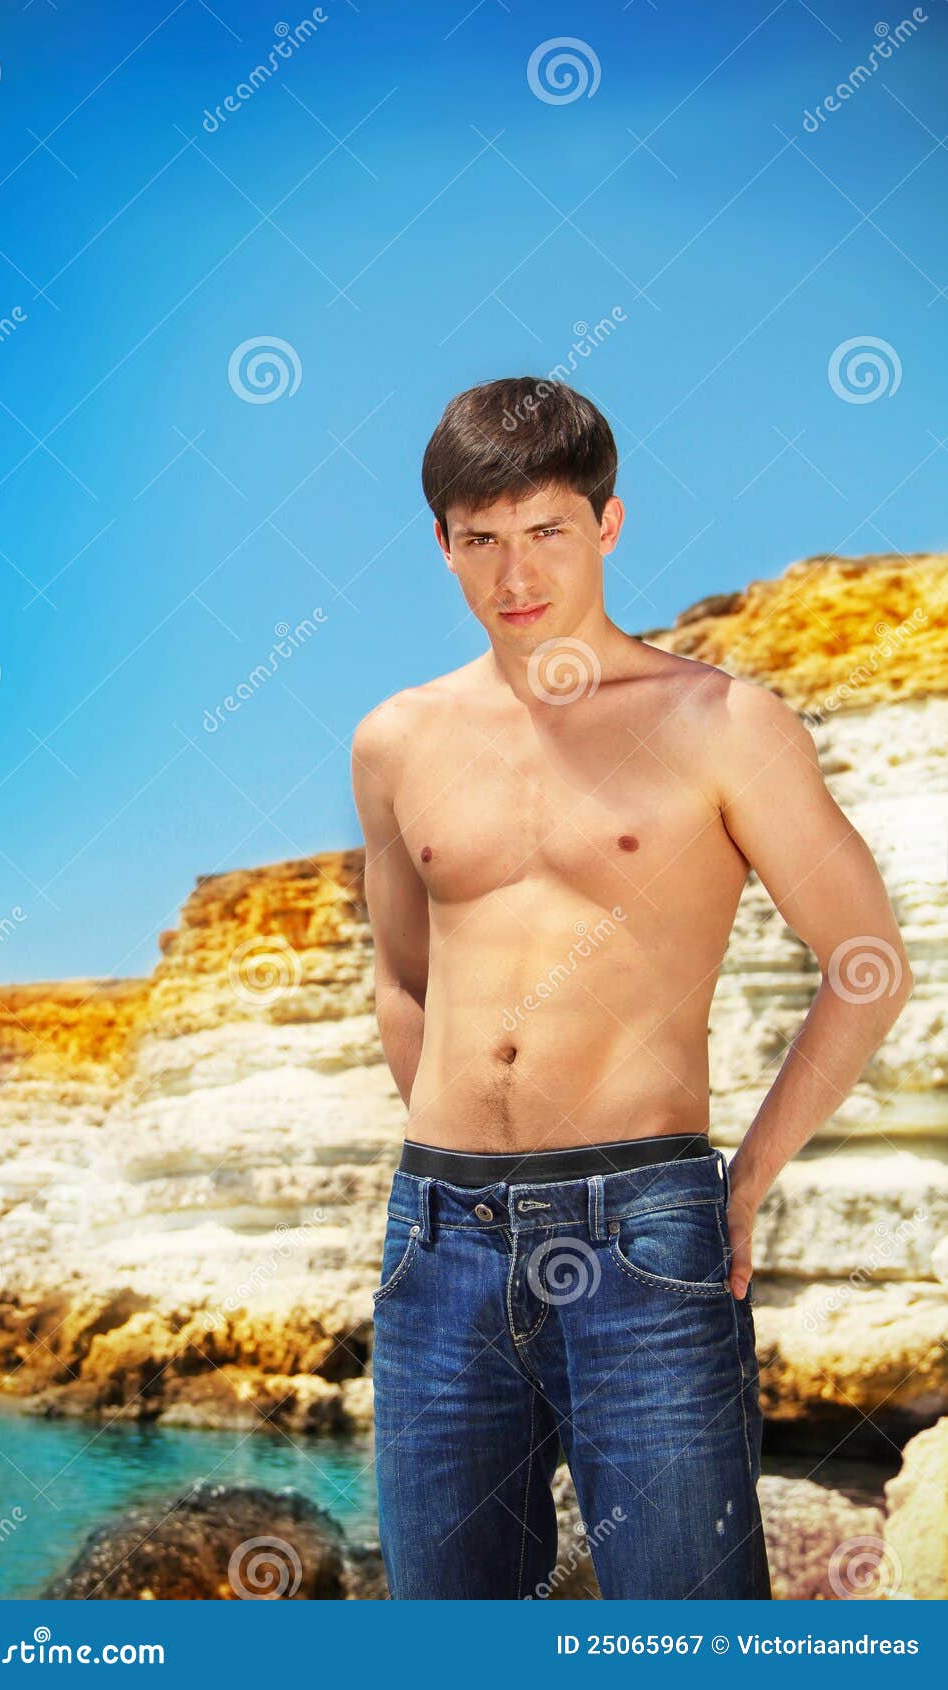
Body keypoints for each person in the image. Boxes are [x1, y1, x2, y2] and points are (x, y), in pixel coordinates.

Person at [349, 376, 913, 1600]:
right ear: (439, 544)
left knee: (689, 1631)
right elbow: (402, 976)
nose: (514, 574)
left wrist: (746, 1174)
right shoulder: (396, 739)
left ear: (608, 525)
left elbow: (865, 967)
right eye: (479, 540)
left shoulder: (721, 722)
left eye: (545, 530)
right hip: (437, 1239)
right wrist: (446, 1156)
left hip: (641, 1233)